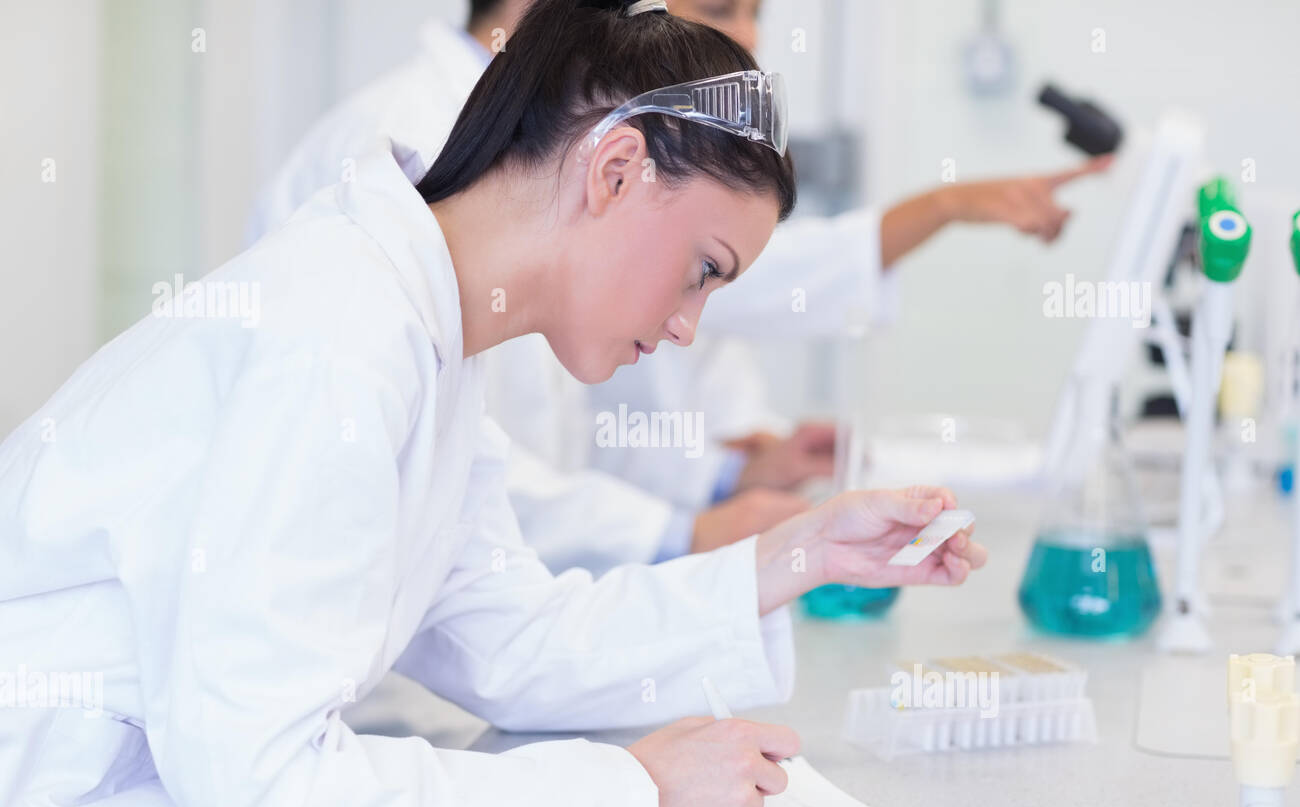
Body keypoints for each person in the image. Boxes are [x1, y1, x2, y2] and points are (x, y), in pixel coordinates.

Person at [0, 0, 987, 807]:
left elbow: (506, 640)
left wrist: (800, 552)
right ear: (613, 169)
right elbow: (263, 796)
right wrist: (630, 792)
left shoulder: (426, 330)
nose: (689, 324)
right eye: (702, 268)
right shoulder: (340, 334)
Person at [248, 0, 1110, 578]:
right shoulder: (432, 190)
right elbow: (274, 792)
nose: (748, 41)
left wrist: (767, 520)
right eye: (722, 7)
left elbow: (497, 598)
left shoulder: (522, 208)